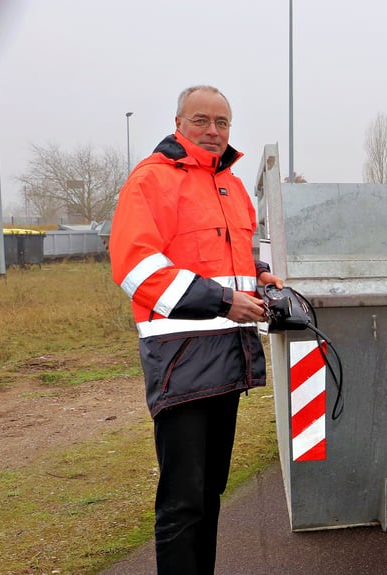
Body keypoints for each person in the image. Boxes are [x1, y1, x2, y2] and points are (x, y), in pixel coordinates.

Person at [109, 85, 282, 574]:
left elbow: (232, 252)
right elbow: (137, 267)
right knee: (183, 502)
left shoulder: (230, 184)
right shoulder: (151, 180)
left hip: (227, 358)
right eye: (201, 121)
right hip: (181, 364)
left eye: (222, 123)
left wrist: (259, 274)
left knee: (209, 492)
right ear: (179, 123)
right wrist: (226, 300)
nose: (212, 131)